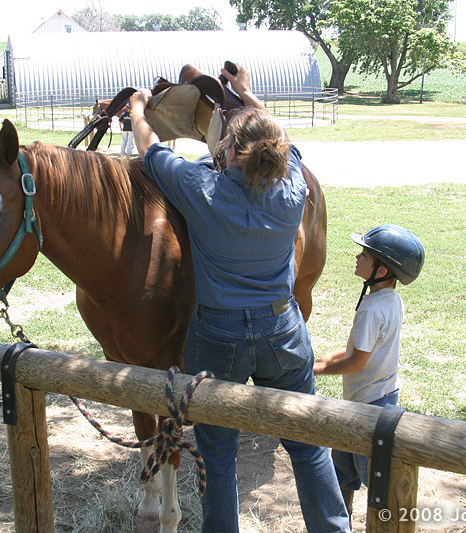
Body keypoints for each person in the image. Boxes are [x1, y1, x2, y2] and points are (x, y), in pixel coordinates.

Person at [129, 65, 350, 533]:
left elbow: (147, 148)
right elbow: (283, 140)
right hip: (283, 331)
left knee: (219, 452)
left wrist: (137, 109)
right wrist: (248, 94)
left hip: (218, 335)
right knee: (309, 445)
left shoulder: (199, 187)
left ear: (226, 152)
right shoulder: (293, 188)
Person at [313, 224, 424, 519]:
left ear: (383, 270)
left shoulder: (372, 309)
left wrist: (319, 371)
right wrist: (322, 360)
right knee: (344, 470)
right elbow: (358, 350)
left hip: (369, 406)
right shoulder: (390, 301)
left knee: (377, 482)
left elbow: (356, 362)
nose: (357, 257)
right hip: (375, 397)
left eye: (365, 255)